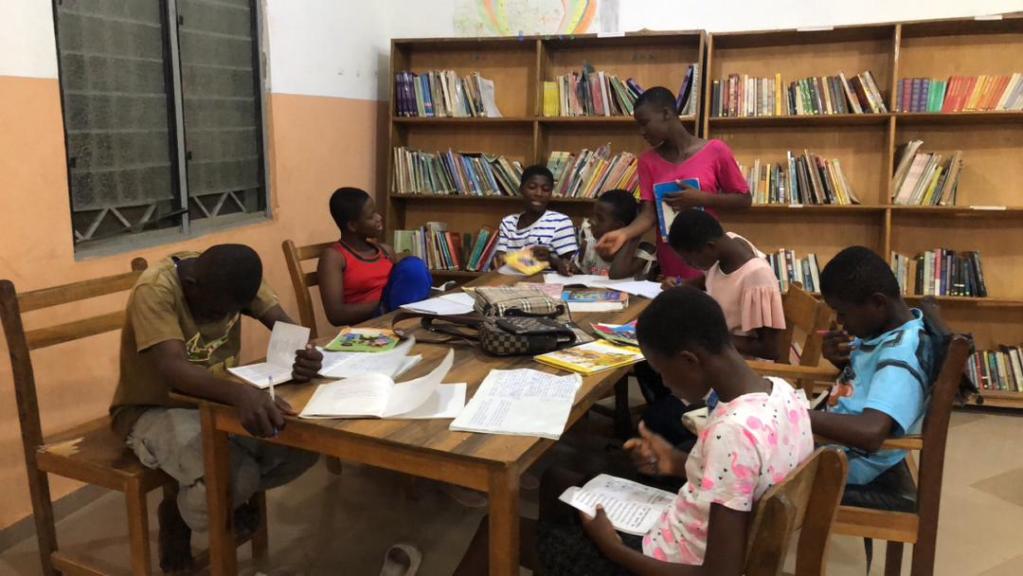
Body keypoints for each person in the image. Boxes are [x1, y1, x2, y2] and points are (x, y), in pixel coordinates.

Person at [453, 287, 814, 575]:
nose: (664, 383)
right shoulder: (779, 391)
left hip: (660, 559)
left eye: (662, 370)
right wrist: (674, 462)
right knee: (558, 479)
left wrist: (612, 548)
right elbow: (741, 475)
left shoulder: (731, 433)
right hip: (683, 530)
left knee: (496, 531)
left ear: (689, 360)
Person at [109, 244, 321, 572]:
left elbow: (285, 326)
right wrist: (240, 395)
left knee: (300, 447)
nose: (222, 319)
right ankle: (180, 516)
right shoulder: (156, 290)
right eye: (214, 312)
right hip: (152, 408)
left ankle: (201, 503)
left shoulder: (232, 274)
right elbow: (174, 371)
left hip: (212, 402)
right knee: (234, 475)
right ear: (192, 286)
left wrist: (305, 354)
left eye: (232, 312)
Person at [596, 86, 750, 283]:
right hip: (671, 257)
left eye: (645, 123)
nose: (641, 132)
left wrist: (702, 198)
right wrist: (623, 234)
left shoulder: (716, 151)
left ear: (667, 113)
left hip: (707, 254)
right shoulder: (647, 161)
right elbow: (649, 213)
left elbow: (744, 200)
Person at [809, 246, 934, 486]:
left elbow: (871, 432)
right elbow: (867, 381)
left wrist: (795, 417)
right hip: (834, 443)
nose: (839, 321)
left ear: (878, 303)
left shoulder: (901, 355)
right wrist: (841, 361)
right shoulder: (885, 333)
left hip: (847, 462)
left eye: (843, 313)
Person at [667, 209, 785, 361]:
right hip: (719, 348)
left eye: (689, 260)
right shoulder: (727, 242)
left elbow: (770, 349)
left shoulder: (756, 276)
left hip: (741, 365)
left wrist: (706, 337)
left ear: (709, 247)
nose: (689, 266)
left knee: (666, 358)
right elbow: (711, 282)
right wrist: (680, 285)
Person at [318, 187, 432, 326]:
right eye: (371, 216)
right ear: (353, 225)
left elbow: (402, 288)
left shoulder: (386, 251)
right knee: (412, 267)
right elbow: (335, 315)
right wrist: (384, 304)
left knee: (414, 267)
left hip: (398, 319)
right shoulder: (333, 257)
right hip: (369, 328)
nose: (379, 218)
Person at [493, 165, 577, 275]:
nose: (539, 193)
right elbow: (500, 260)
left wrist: (550, 258)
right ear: (521, 189)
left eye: (545, 189)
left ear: (551, 193)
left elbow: (571, 266)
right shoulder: (508, 222)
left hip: (548, 285)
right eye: (532, 187)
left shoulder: (560, 222)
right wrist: (502, 259)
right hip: (513, 283)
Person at [573, 189, 656, 279]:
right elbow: (579, 281)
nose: (591, 221)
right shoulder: (588, 246)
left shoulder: (644, 250)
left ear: (619, 226)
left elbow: (617, 274)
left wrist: (634, 234)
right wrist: (569, 268)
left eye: (600, 219)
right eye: (593, 215)